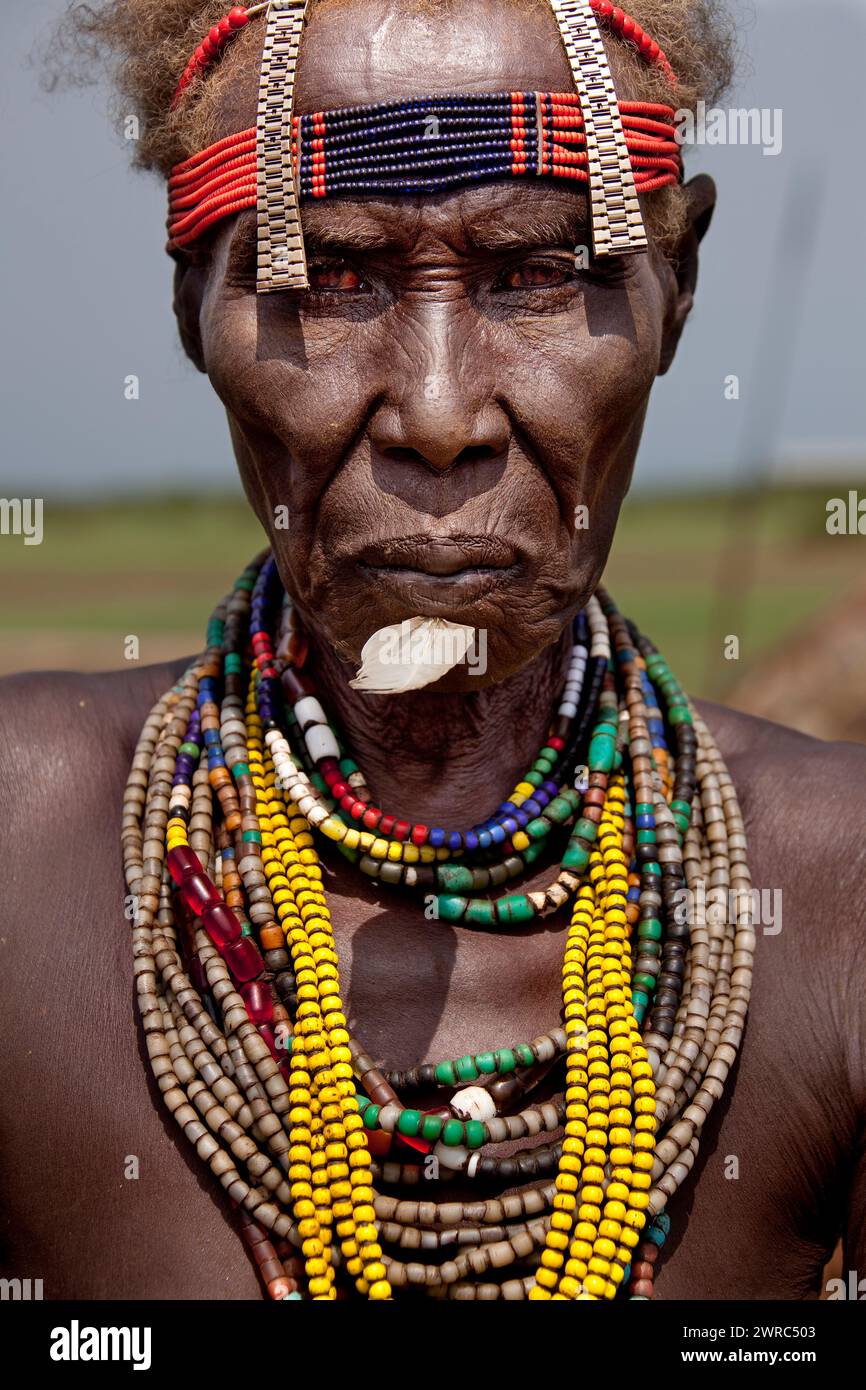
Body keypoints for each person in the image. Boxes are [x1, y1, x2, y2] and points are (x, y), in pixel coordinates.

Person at [1, 0, 864, 1302]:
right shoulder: (22, 848)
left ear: (672, 287)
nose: (441, 411)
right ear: (193, 307)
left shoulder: (840, 898)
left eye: (536, 274)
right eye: (330, 280)